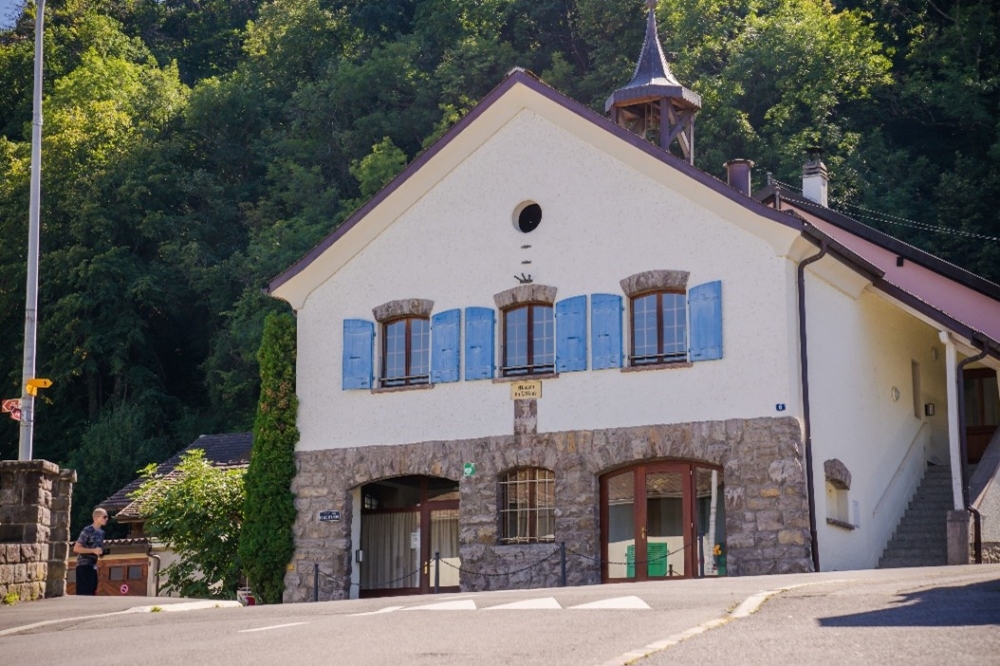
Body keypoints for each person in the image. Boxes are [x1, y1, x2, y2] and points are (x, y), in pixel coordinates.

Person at [73, 507, 108, 595]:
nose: (107, 519)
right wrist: (93, 550)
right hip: (83, 565)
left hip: (93, 565)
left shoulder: (101, 533)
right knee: (84, 593)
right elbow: (76, 548)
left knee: (93, 590)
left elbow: (97, 549)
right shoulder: (87, 530)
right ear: (96, 518)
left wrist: (100, 553)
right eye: (104, 517)